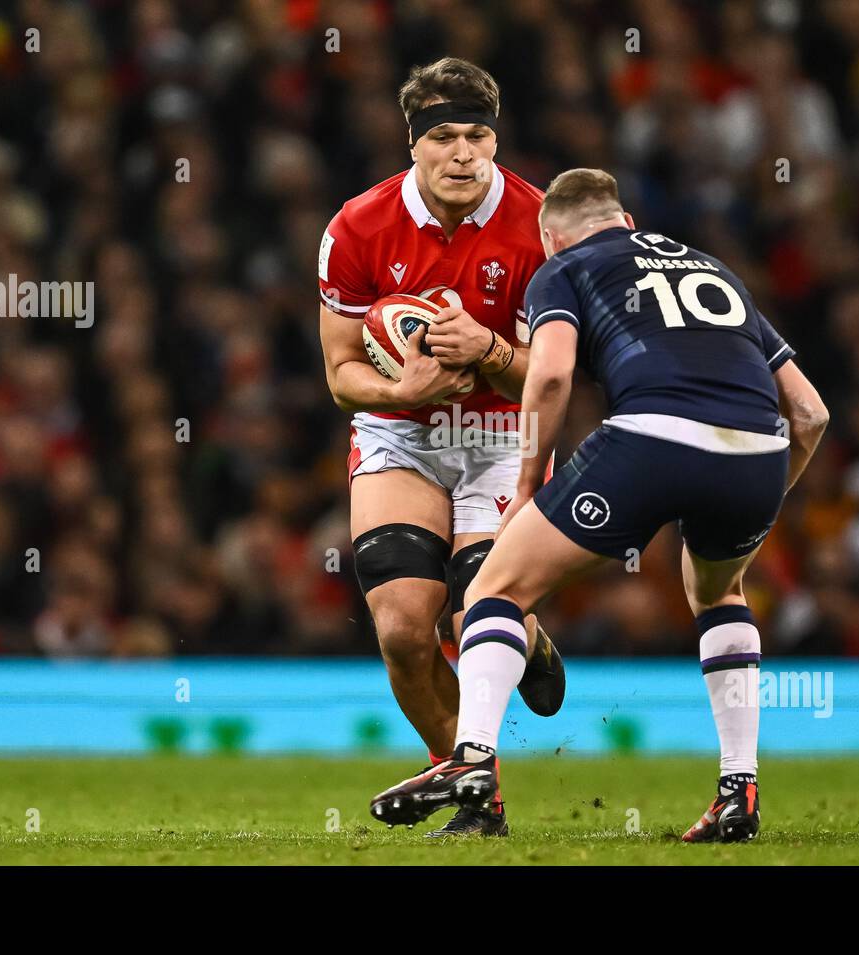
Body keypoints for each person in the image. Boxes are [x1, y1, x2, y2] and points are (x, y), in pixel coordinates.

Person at [370, 168, 830, 842]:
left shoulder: (565, 267)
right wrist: (763, 494)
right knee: (721, 592)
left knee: (495, 588)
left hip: (651, 437)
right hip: (758, 449)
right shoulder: (712, 267)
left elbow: (552, 372)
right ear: (626, 224)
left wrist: (526, 485)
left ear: (553, 238)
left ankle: (471, 767)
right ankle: (739, 788)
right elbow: (812, 412)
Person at [317, 58, 565, 837]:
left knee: (473, 610)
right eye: (445, 136)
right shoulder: (357, 227)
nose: (463, 153)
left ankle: (519, 629)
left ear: (496, 138)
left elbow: (565, 372)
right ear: (413, 142)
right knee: (400, 629)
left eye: (478, 135)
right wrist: (402, 391)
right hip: (404, 432)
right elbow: (340, 373)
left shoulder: (542, 227)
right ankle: (474, 787)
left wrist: (490, 350)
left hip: (503, 434)